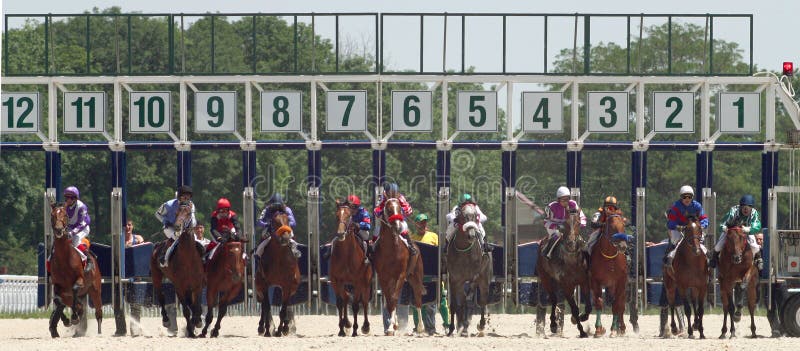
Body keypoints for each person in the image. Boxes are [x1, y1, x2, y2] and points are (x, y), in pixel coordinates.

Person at [410, 213, 450, 335]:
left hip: (434, 273)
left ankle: (447, 325)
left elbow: (440, 253)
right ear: (416, 224)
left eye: (425, 222)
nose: (424, 224)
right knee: (416, 301)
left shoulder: (433, 236)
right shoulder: (412, 238)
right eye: (421, 222)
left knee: (442, 300)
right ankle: (418, 326)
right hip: (418, 275)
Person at [710, 194, 762, 269]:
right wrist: (723, 227)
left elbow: (757, 225)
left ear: (751, 208)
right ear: (740, 206)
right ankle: (714, 258)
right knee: (718, 246)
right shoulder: (733, 210)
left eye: (748, 207)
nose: (745, 209)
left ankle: (758, 259)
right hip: (731, 231)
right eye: (743, 207)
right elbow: (723, 222)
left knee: (755, 246)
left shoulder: (754, 213)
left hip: (745, 232)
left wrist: (749, 229)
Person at [154, 185, 199, 267]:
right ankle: (164, 257)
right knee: (177, 236)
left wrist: (190, 213)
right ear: (179, 197)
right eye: (184, 198)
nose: (187, 200)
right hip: (170, 228)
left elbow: (194, 223)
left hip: (185, 228)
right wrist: (165, 221)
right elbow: (157, 214)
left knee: (195, 239)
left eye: (188, 198)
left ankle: (202, 259)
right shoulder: (168, 205)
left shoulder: (191, 205)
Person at [665, 185, 709, 267]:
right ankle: (668, 258)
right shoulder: (675, 207)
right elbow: (670, 222)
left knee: (700, 240)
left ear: (692, 197)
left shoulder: (697, 206)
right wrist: (677, 227)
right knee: (674, 240)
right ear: (681, 197)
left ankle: (709, 259)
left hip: (693, 229)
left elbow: (704, 219)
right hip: (679, 229)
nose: (687, 199)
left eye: (689, 197)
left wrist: (702, 226)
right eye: (684, 197)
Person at [542, 186, 586, 259]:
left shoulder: (573, 204)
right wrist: (556, 227)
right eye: (563, 200)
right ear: (558, 200)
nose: (566, 202)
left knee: (578, 238)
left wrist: (581, 224)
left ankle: (585, 254)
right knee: (557, 235)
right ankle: (548, 252)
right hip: (555, 227)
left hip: (568, 226)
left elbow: (582, 216)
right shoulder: (552, 207)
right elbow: (545, 222)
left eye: (567, 199)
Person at [373, 183, 416, 255]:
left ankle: (410, 245)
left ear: (397, 193)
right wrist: (380, 210)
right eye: (390, 194)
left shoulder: (401, 198)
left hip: (399, 221)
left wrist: (400, 209)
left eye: (394, 193)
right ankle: (373, 247)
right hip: (387, 223)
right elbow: (376, 211)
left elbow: (409, 210)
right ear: (385, 193)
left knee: (404, 226)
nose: (392, 196)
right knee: (377, 230)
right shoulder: (383, 198)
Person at [254, 193, 301, 260]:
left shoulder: (287, 209)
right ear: (271, 205)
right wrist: (267, 224)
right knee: (264, 236)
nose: (276, 208)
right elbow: (259, 221)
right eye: (274, 206)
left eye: (278, 206)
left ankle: (294, 250)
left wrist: (285, 225)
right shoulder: (266, 209)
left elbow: (293, 222)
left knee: (291, 234)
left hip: (284, 229)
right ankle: (258, 253)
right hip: (271, 229)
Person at [584, 196, 620, 261]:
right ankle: (588, 263)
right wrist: (604, 224)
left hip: (615, 233)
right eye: (607, 207)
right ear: (604, 207)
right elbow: (593, 223)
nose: (609, 209)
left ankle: (627, 258)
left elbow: (625, 222)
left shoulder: (617, 216)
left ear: (615, 209)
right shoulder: (598, 214)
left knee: (624, 244)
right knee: (588, 245)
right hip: (600, 231)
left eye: (611, 208)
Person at [63, 186, 91, 265]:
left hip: (83, 228)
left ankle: (87, 259)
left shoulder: (81, 207)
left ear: (75, 198)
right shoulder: (65, 207)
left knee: (76, 239)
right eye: (66, 197)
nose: (67, 200)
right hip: (70, 228)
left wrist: (71, 233)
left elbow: (82, 224)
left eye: (70, 197)